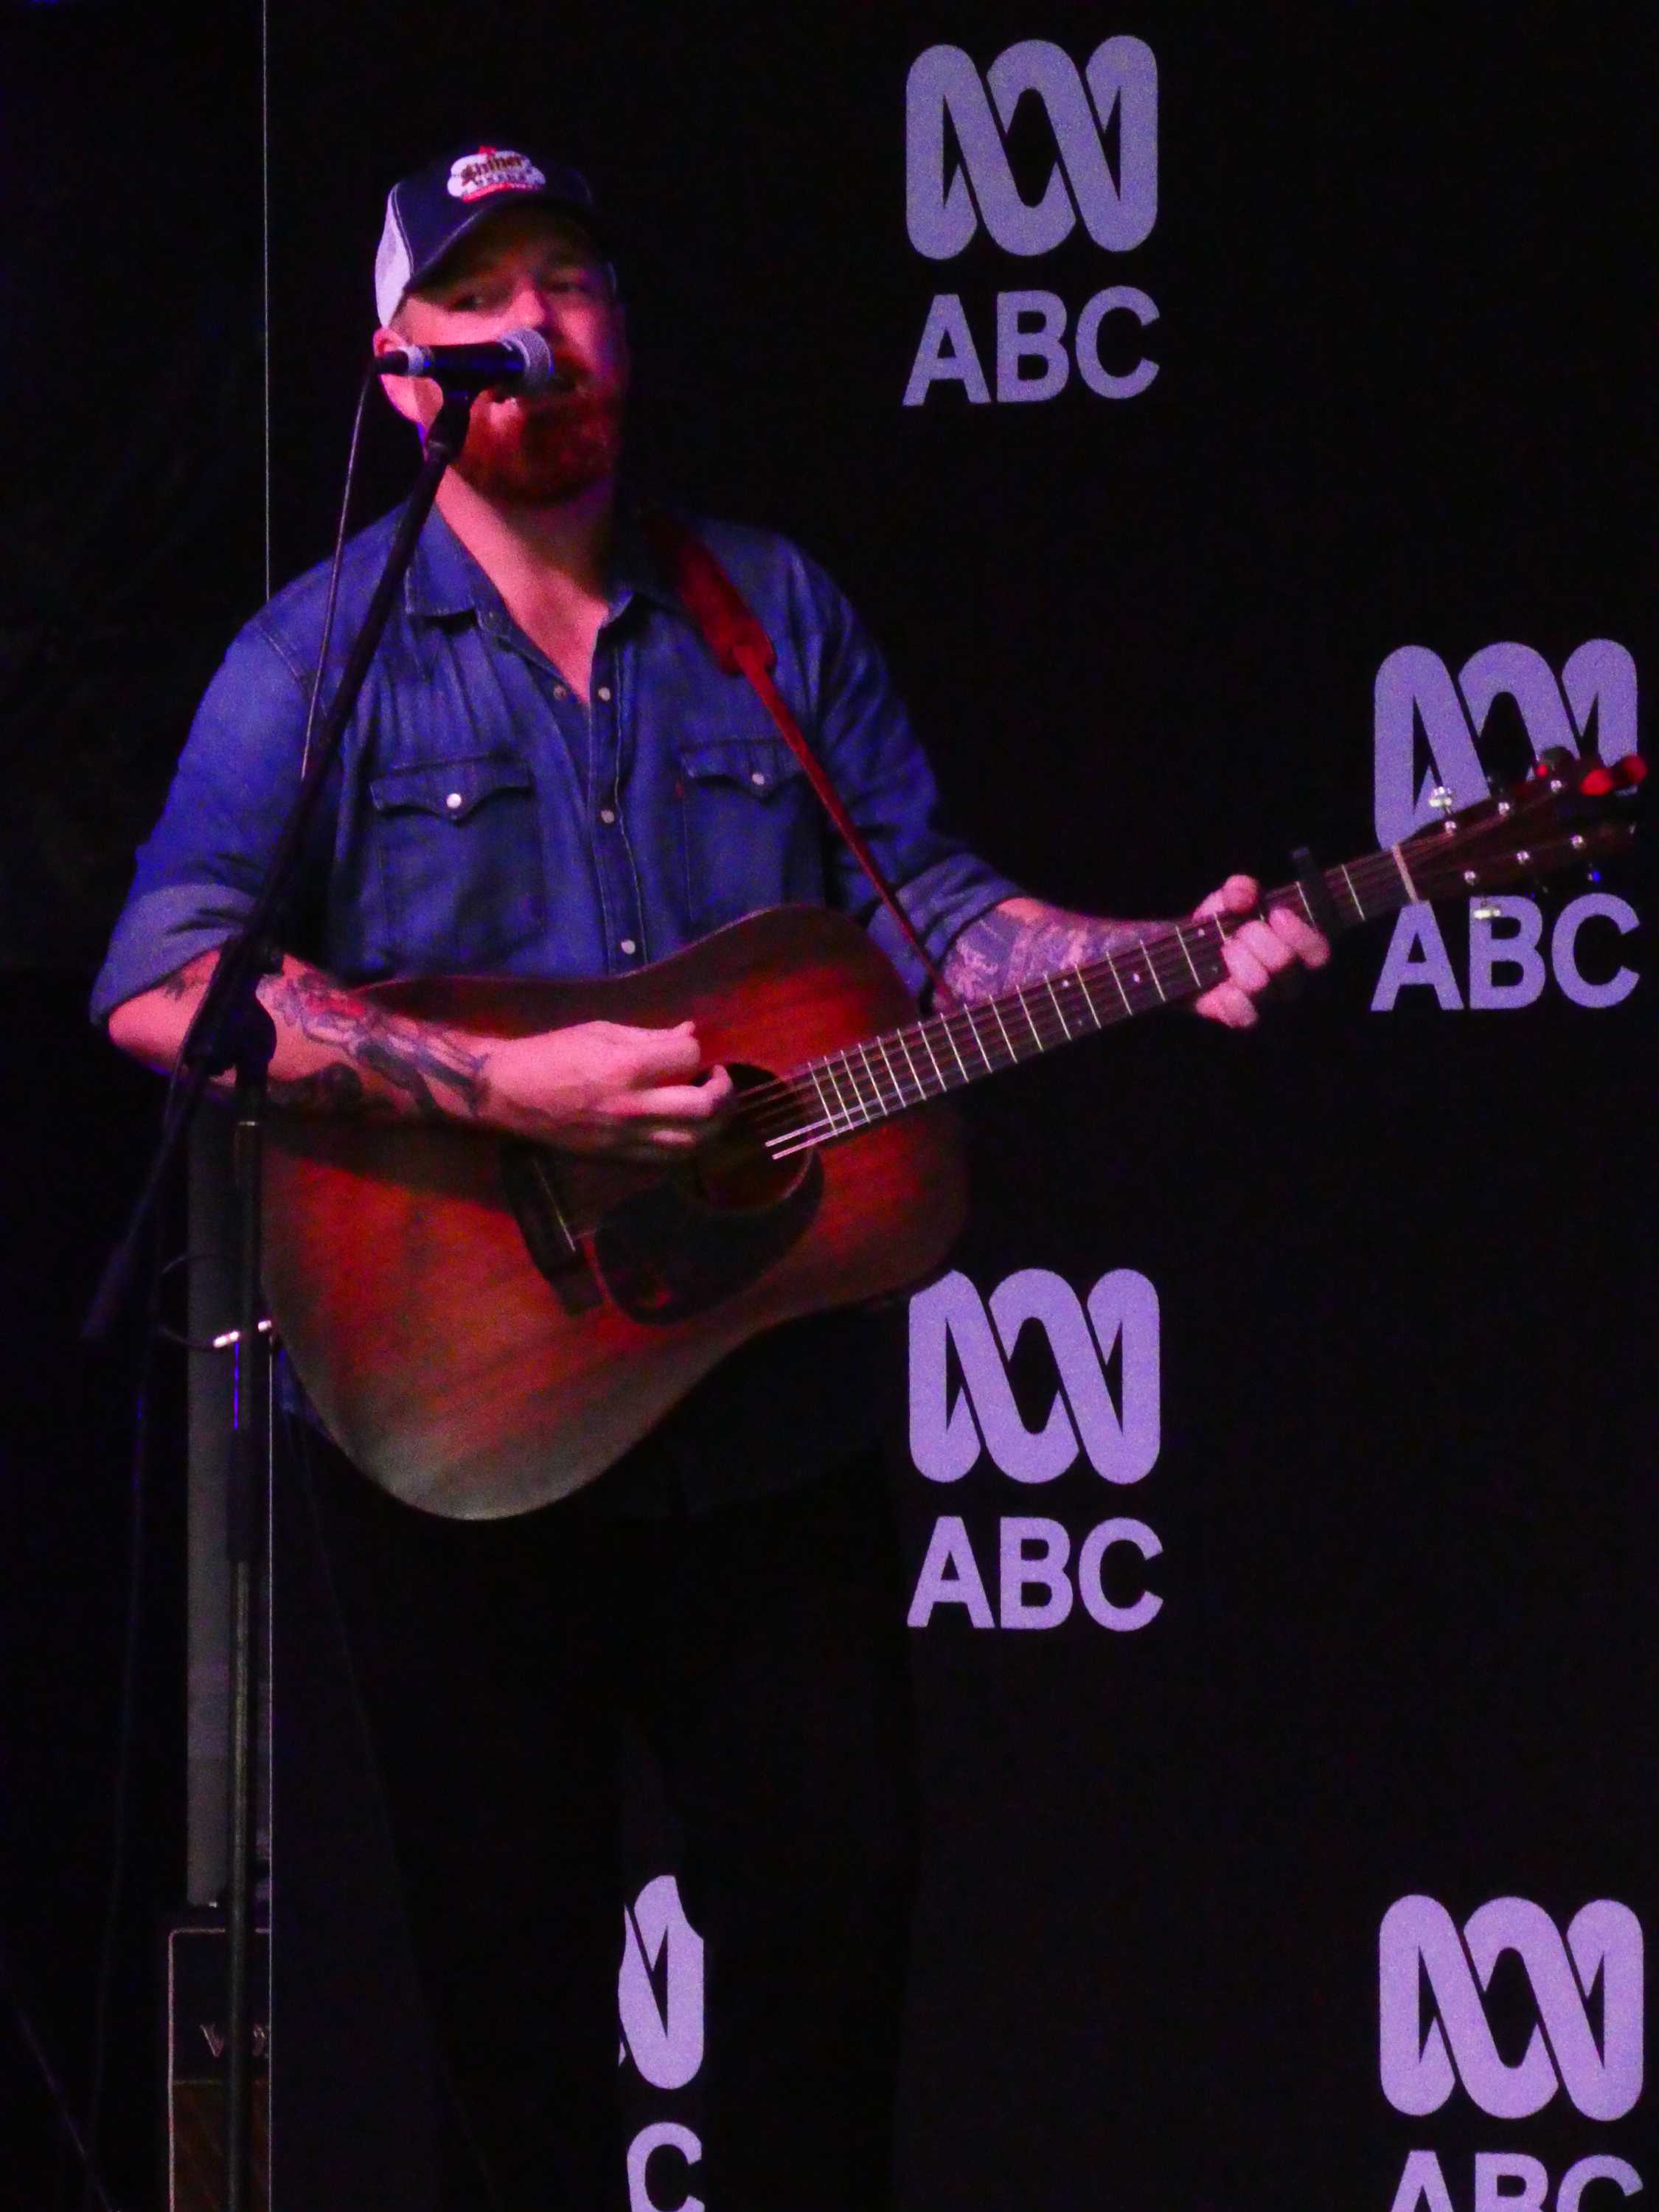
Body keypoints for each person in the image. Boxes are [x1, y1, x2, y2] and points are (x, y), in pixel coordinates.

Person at [95, 142, 1328, 2210]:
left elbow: (926, 907)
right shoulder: (316, 657)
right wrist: (512, 1092)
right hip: (457, 1422)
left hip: (767, 1434)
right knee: (511, 2025)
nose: (547, 324)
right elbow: (164, 977)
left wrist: (1153, 954)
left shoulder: (768, 611)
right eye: (492, 294)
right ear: (407, 375)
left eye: (576, 276)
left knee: (831, 1965)